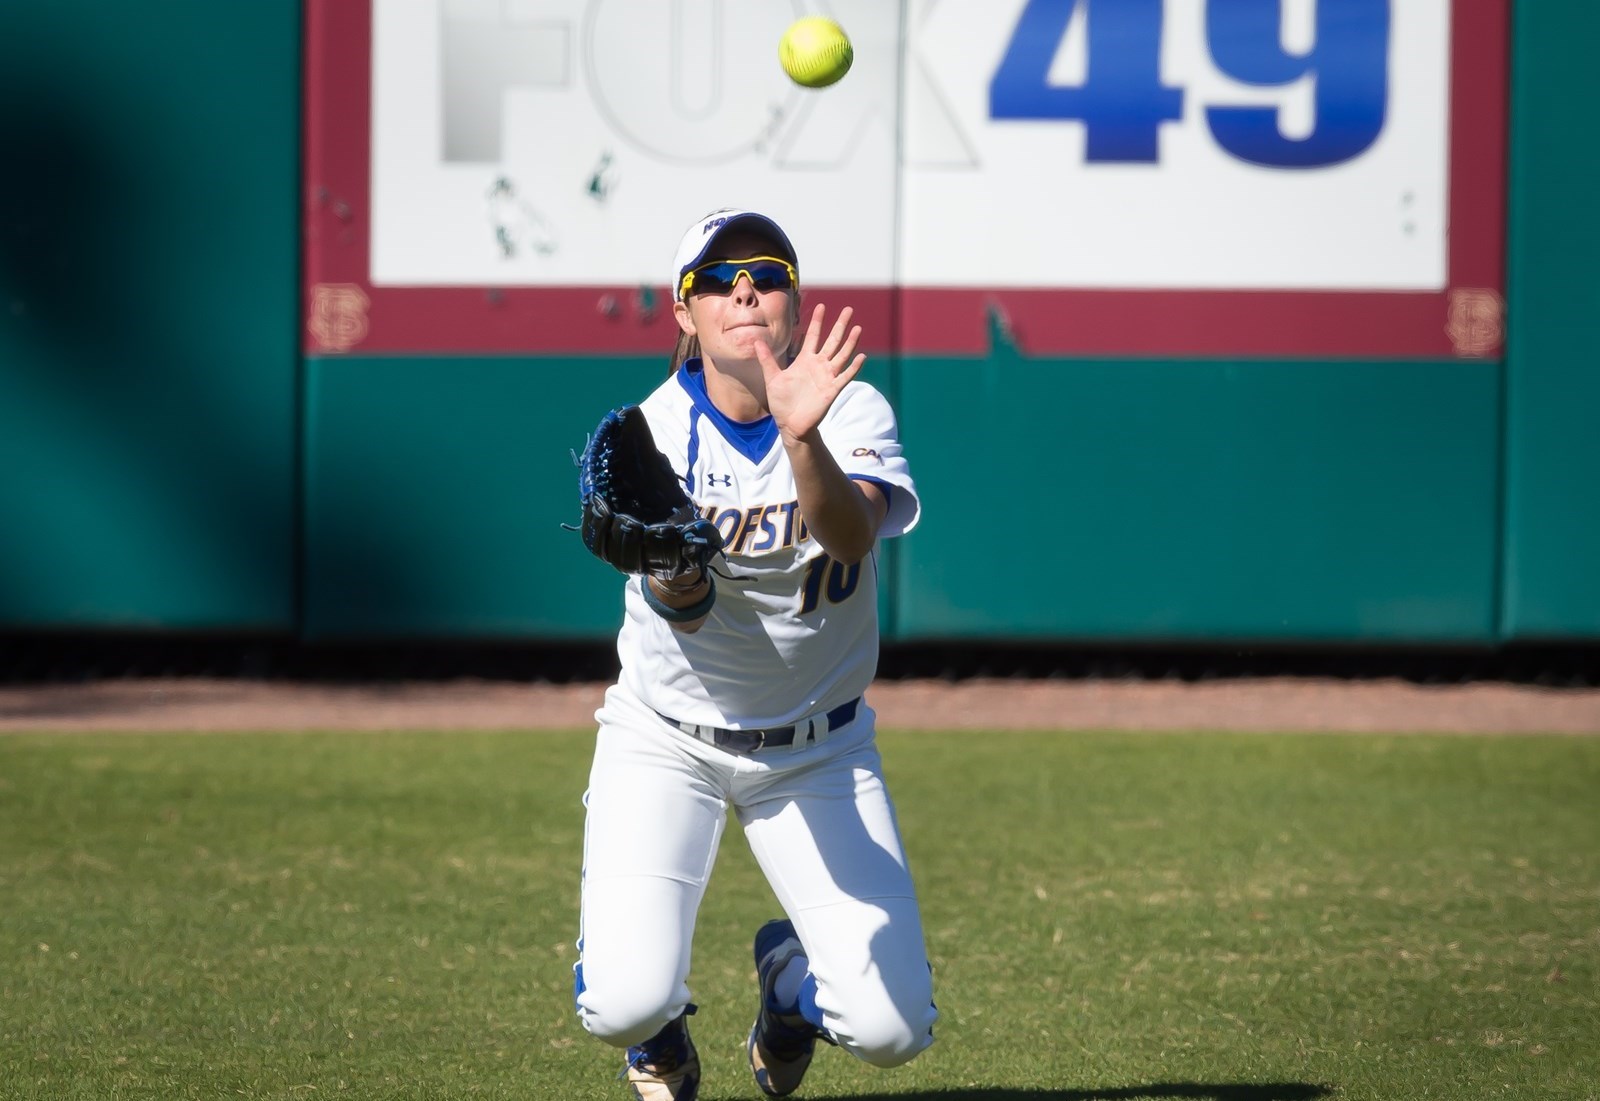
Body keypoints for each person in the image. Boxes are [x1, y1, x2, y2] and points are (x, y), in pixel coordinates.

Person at [572, 208, 937, 1100]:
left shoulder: (848, 404)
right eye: (719, 277)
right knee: (622, 1002)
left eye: (768, 274)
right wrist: (677, 575)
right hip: (671, 741)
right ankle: (655, 1037)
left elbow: (849, 538)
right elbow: (684, 614)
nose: (746, 288)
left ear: (794, 304)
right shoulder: (652, 431)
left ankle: (788, 988)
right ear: (683, 312)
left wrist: (800, 435)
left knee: (893, 1031)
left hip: (820, 750)